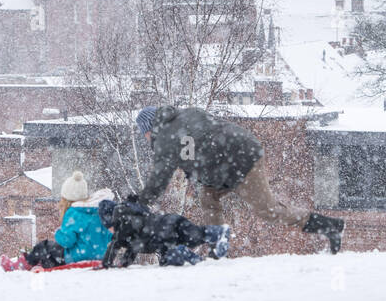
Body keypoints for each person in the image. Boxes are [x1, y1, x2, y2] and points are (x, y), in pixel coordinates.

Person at [133, 105, 344, 253]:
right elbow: (203, 141)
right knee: (207, 198)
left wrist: (141, 202)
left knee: (267, 210)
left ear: (152, 128)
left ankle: (329, 226)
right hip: (226, 163)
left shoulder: (167, 137)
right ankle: (219, 244)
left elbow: (160, 177)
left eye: (145, 133)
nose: (145, 138)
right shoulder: (188, 113)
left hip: (242, 163)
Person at [98, 197, 229, 268]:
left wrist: (106, 264)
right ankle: (218, 232)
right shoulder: (133, 213)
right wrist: (123, 263)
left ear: (109, 218)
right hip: (170, 221)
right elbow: (133, 248)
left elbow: (116, 243)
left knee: (169, 260)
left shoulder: (121, 219)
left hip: (163, 235)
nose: (109, 230)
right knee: (195, 236)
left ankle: (180, 252)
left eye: (108, 226)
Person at [54, 176, 115, 264]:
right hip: (101, 258)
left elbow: (67, 241)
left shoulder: (73, 212)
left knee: (49, 248)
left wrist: (58, 233)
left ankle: (31, 263)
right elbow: (110, 236)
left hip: (76, 258)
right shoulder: (101, 211)